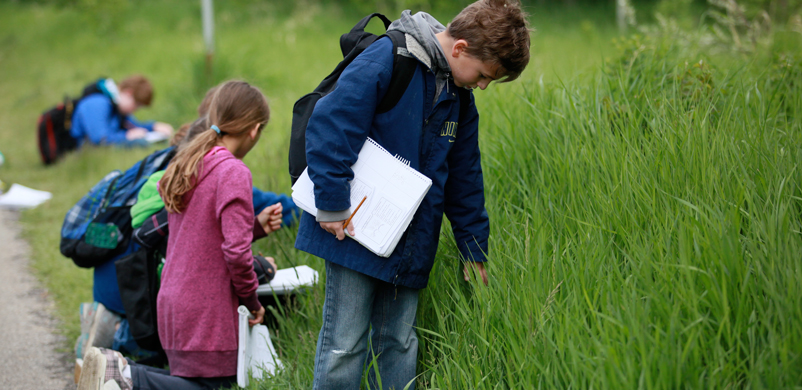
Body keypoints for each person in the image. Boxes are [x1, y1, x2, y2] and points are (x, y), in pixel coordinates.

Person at [294, 1, 531, 389]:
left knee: (400, 341)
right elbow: (331, 125)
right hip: (351, 229)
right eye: (485, 75)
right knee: (344, 344)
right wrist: (332, 203)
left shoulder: (461, 99)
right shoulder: (388, 59)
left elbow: (465, 177)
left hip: (412, 239)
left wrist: (473, 248)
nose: (484, 86)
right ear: (460, 49)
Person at [77, 80, 272, 390]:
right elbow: (235, 252)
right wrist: (252, 301)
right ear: (254, 129)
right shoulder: (233, 172)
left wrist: (257, 226)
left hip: (173, 304)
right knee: (213, 386)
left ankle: (119, 371)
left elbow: (201, 236)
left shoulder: (188, 162)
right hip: (206, 311)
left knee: (188, 382)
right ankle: (126, 376)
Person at [70, 75, 173, 146]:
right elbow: (101, 140)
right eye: (136, 105)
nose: (134, 110)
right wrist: (126, 137)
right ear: (129, 93)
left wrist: (154, 126)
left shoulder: (116, 106)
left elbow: (134, 127)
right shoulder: (97, 103)